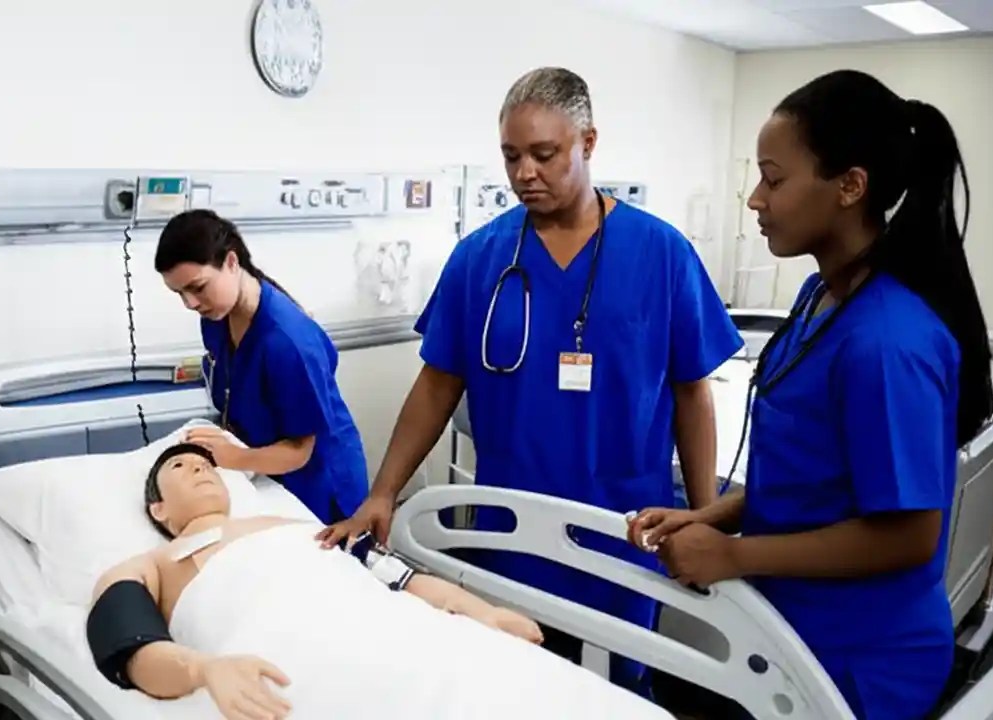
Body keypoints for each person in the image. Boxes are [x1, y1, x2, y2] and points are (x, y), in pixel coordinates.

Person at [316, 66, 743, 691]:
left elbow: (690, 392)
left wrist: (701, 514)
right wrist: (382, 493)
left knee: (614, 691)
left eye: (544, 154)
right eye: (511, 156)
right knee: (512, 685)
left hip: (620, 530)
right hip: (508, 530)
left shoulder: (661, 254)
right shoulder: (480, 257)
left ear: (588, 143)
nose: (524, 173)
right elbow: (437, 385)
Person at [628, 69, 993, 720]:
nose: (755, 200)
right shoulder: (820, 297)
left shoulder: (887, 342)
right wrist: (711, 517)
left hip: (861, 661)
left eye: (773, 180)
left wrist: (733, 555)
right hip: (792, 632)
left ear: (850, 186)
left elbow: (908, 536)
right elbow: (813, 483)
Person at [86, 443, 668, 720]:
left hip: (386, 625)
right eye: (180, 467)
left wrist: (480, 612)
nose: (200, 468)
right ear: (159, 509)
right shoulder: (148, 565)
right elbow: (128, 649)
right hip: (291, 653)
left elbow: (397, 576)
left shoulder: (296, 526)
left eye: (206, 464)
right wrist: (204, 669)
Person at [155, 209, 369, 524]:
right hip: (267, 472)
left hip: (321, 487)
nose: (190, 303)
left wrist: (234, 456)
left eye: (198, 287)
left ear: (231, 262)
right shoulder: (217, 318)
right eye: (179, 293)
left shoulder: (287, 343)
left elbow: (300, 451)